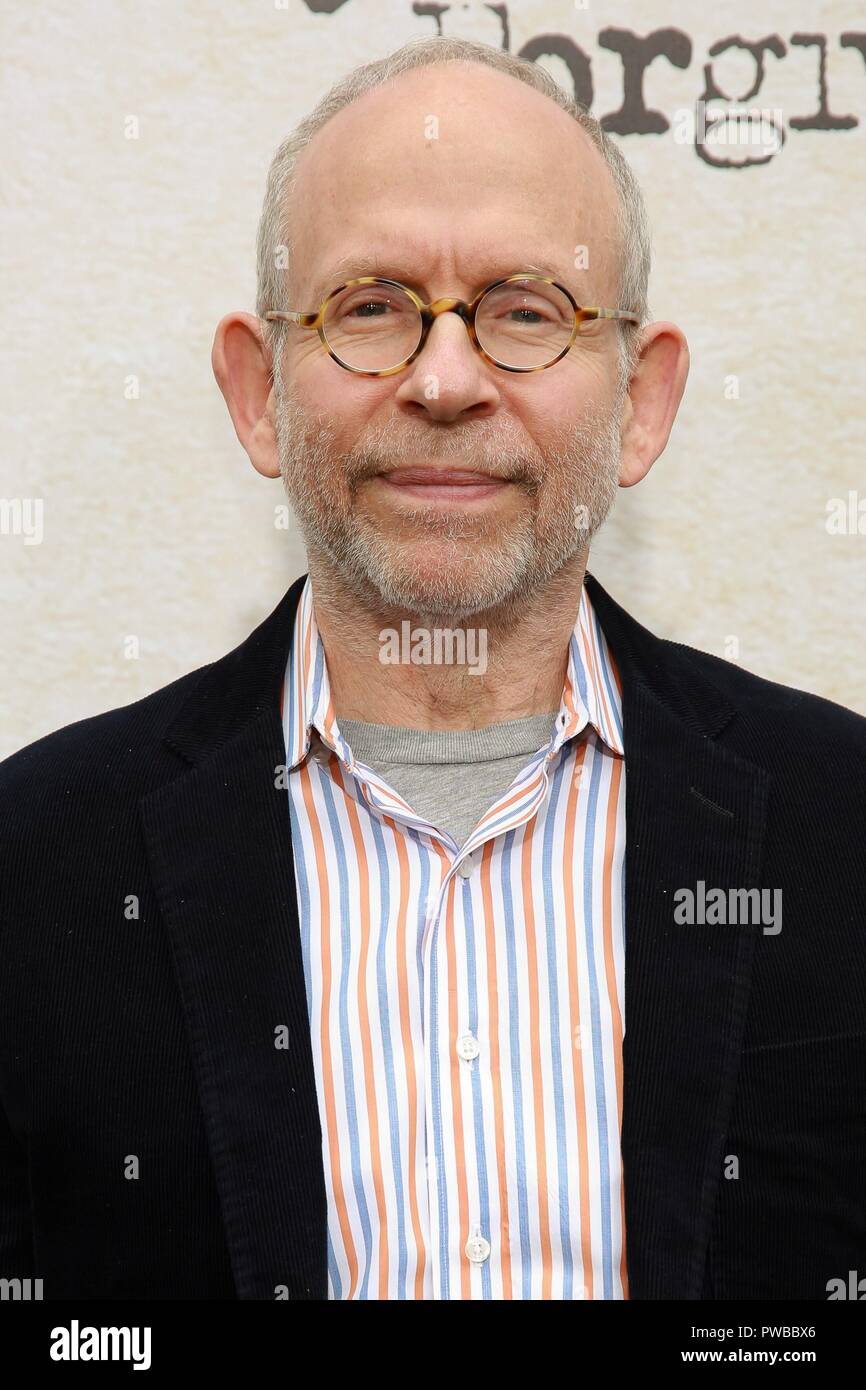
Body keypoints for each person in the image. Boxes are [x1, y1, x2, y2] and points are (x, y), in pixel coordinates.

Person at [1, 35, 864, 1303]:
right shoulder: (35, 868)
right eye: (368, 309)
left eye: (526, 310)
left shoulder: (842, 826)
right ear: (257, 393)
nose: (445, 379)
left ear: (640, 401)